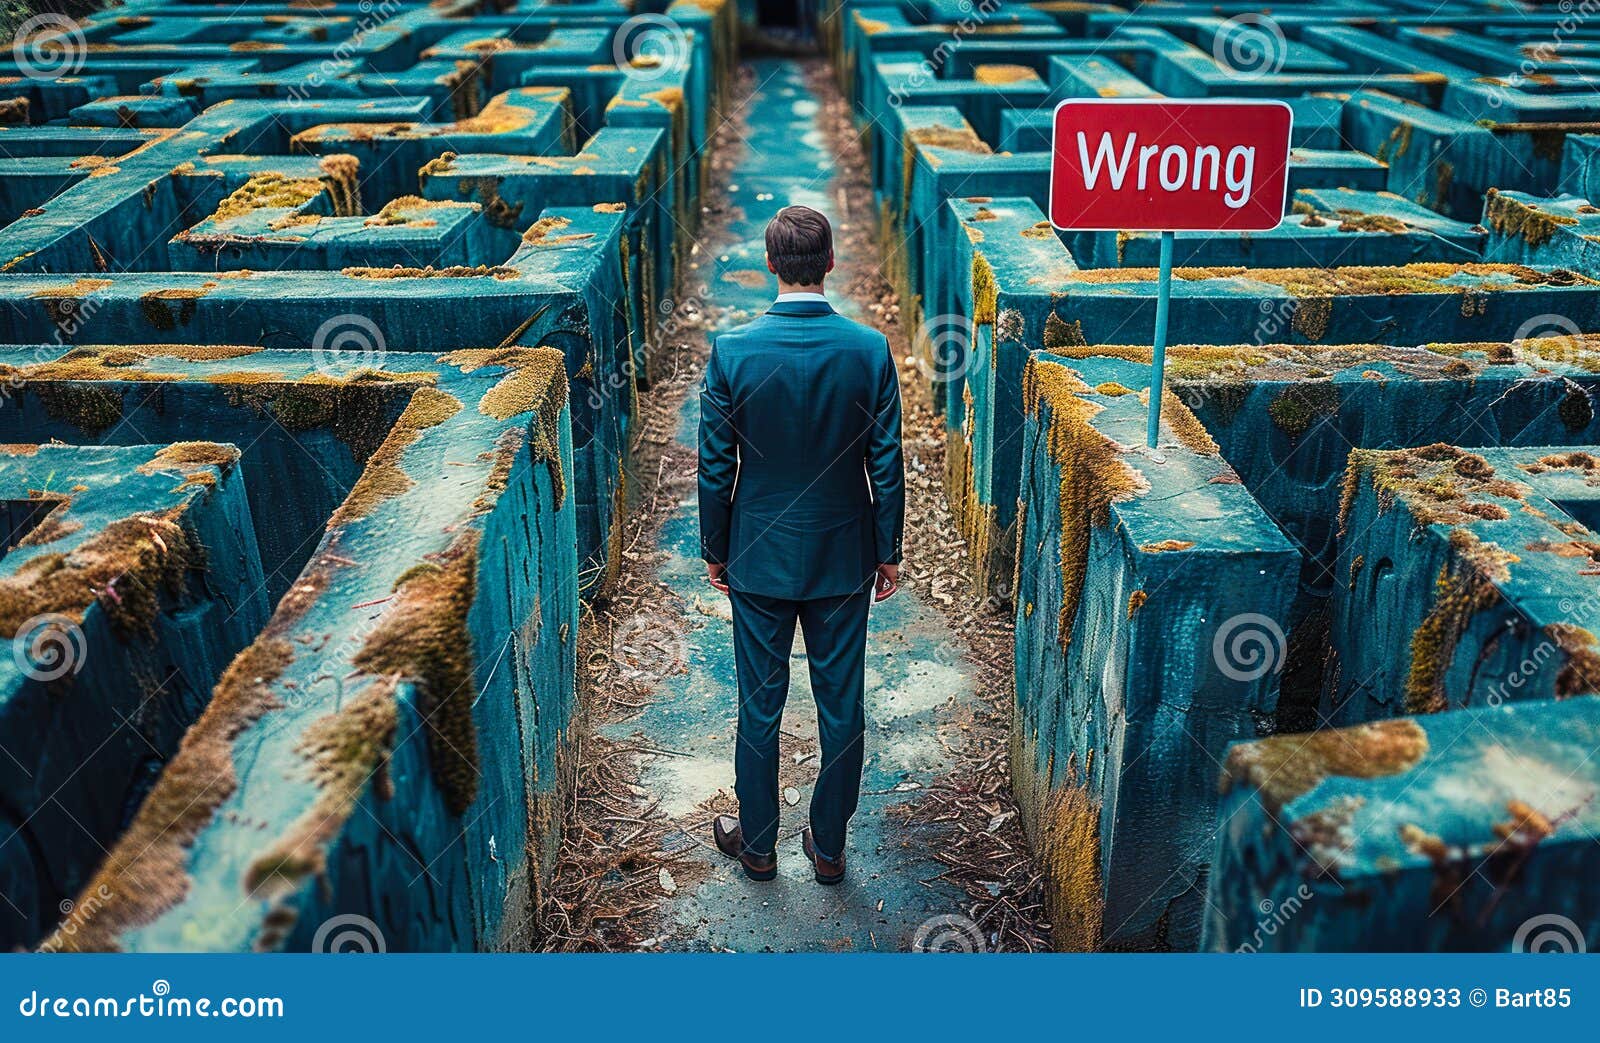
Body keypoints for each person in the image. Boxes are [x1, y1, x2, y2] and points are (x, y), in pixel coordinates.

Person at [697, 204, 904, 885]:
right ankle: (829, 844)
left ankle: (757, 843)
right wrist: (888, 549)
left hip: (757, 554)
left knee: (760, 702)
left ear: (769, 265)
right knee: (841, 704)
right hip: (843, 555)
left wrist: (715, 547)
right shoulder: (869, 351)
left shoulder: (732, 351)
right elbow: (886, 461)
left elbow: (716, 465)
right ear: (831, 262)